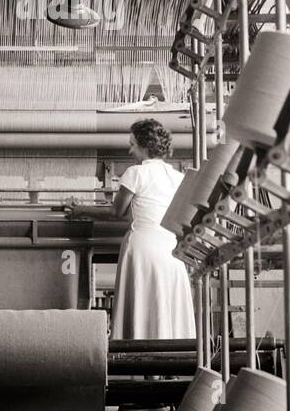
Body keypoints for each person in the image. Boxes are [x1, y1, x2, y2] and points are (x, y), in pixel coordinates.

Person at [68, 118, 195, 340]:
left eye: (133, 144)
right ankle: (172, 363)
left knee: (143, 304)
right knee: (166, 307)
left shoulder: (136, 173)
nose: (130, 149)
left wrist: (80, 210)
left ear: (145, 146)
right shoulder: (177, 177)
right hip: (170, 252)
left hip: (143, 249)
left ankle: (146, 366)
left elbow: (116, 213)